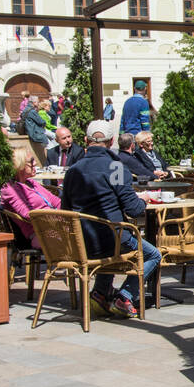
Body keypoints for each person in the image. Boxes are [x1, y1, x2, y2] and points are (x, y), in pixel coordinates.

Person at [61, 120, 161, 319]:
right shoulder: (115, 168)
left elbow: (65, 209)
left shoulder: (73, 170)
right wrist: (144, 199)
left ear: (86, 141)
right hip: (112, 239)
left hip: (82, 241)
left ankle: (99, 294)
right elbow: (132, 209)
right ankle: (124, 297)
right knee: (153, 255)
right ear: (112, 141)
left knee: (108, 238)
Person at [0, 149, 61, 245]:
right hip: (38, 232)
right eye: (31, 161)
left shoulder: (31, 183)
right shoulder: (10, 189)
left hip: (55, 225)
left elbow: (56, 201)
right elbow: (28, 214)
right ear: (20, 165)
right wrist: (55, 216)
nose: (35, 163)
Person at [19, 94, 50, 165]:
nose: (39, 103)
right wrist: (44, 123)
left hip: (29, 131)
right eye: (38, 102)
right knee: (49, 144)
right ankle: (46, 163)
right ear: (34, 102)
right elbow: (41, 121)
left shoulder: (26, 109)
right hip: (35, 133)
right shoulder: (32, 111)